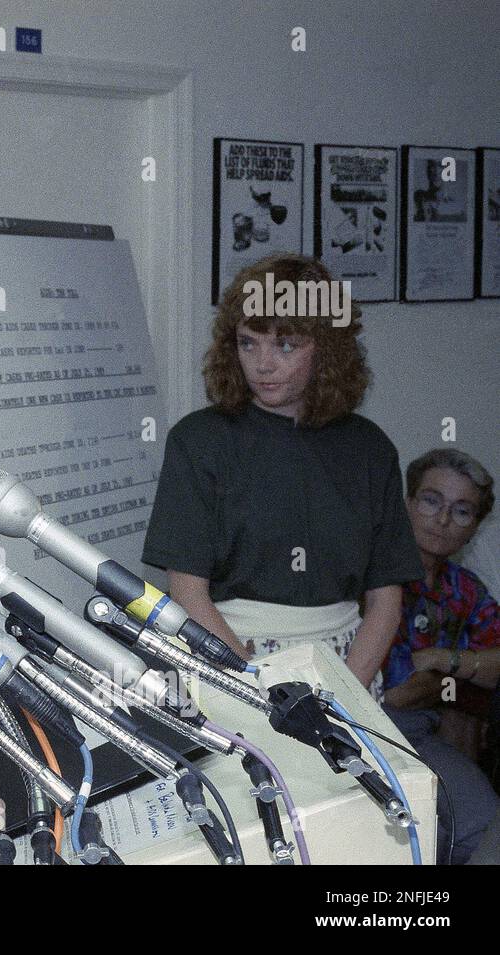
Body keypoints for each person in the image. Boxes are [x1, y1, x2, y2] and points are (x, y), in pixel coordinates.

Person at [142, 253, 422, 696]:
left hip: (348, 664)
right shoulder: (198, 442)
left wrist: (344, 694)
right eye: (248, 343)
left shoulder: (369, 448)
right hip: (229, 657)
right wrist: (257, 682)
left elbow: (386, 600)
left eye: (286, 346)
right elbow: (188, 594)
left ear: (326, 351)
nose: (263, 364)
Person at [382, 448, 500, 863]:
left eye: (462, 511)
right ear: (408, 502)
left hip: (423, 727)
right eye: (432, 501)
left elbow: (498, 663)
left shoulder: (463, 588)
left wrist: (448, 661)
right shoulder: (376, 573)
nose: (443, 520)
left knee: (481, 825)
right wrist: (461, 681)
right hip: (372, 727)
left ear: (475, 528)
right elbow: (396, 695)